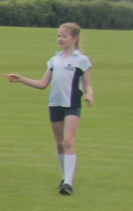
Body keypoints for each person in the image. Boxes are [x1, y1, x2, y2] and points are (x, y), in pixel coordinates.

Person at [7, 22, 94, 195]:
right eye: (58, 36)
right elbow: (42, 84)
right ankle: (64, 176)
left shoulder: (81, 60)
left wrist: (89, 94)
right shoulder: (54, 60)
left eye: (64, 36)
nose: (60, 39)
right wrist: (21, 79)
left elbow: (87, 84)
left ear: (75, 39)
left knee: (68, 141)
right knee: (60, 144)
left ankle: (68, 183)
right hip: (55, 104)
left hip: (72, 105)